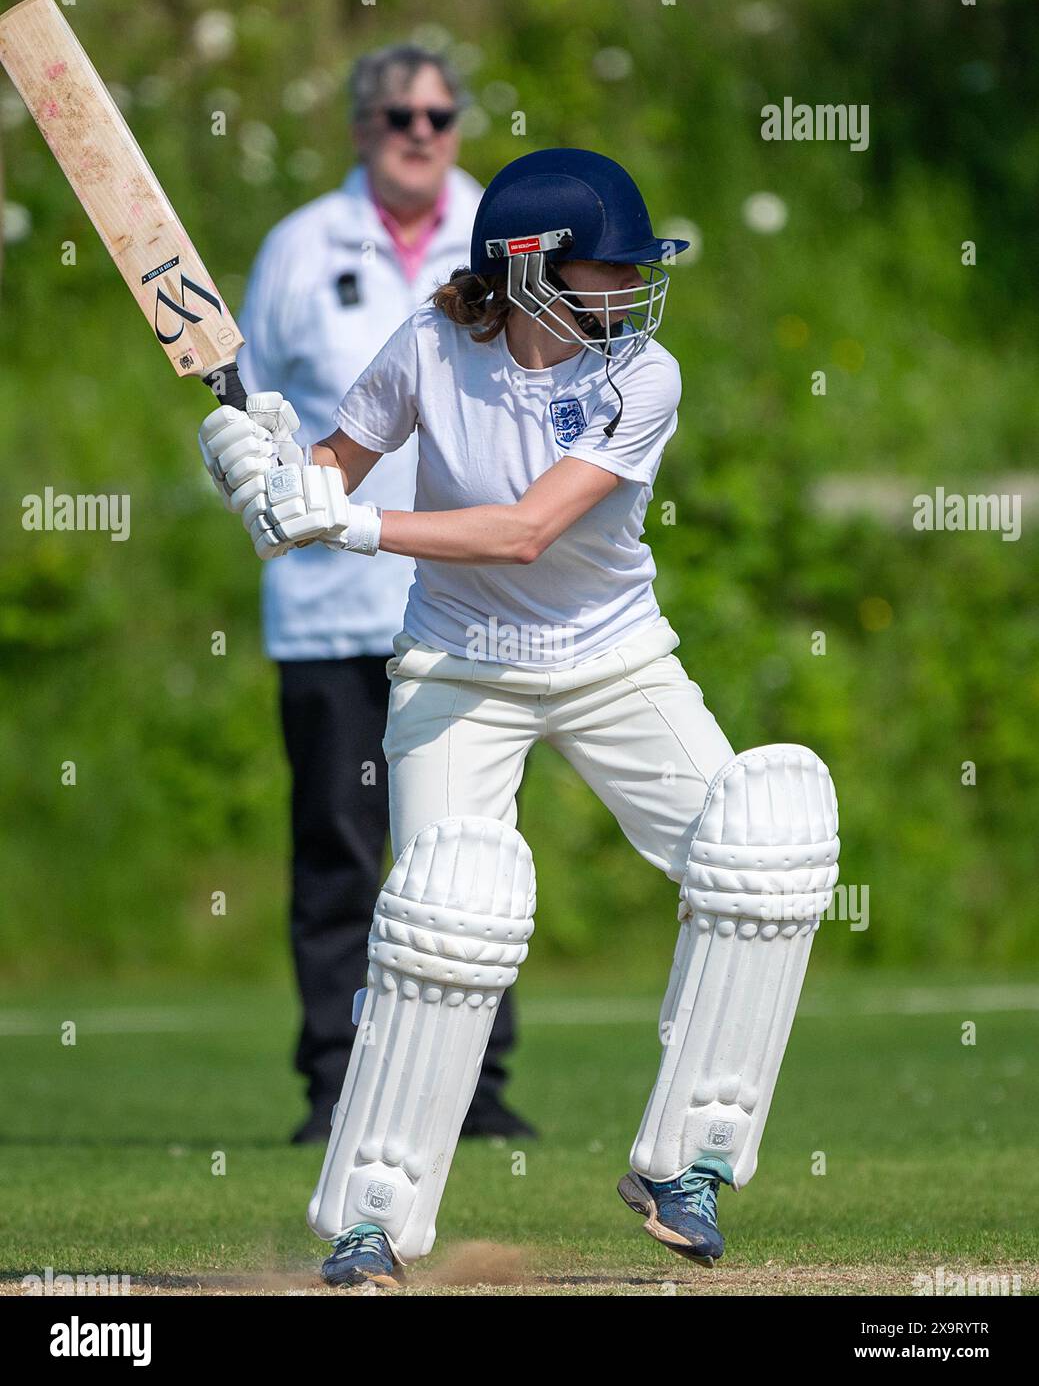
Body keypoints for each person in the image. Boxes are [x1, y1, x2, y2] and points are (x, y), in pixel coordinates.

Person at [199, 147, 840, 1289]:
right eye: (612, 266)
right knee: (444, 915)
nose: (635, 287)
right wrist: (265, 469)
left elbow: (524, 531)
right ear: (534, 269)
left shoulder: (646, 376)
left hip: (614, 659)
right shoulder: (432, 349)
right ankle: (371, 1226)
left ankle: (685, 1161)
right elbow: (328, 472)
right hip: (458, 669)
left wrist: (347, 527)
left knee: (768, 844)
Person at [236, 44, 532, 1143]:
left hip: (469, 598)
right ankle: (337, 1085)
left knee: (468, 849)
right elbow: (253, 403)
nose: (421, 130)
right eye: (400, 113)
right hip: (327, 608)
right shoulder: (299, 246)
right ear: (363, 126)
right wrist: (243, 458)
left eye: (439, 114)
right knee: (338, 848)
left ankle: (477, 1090)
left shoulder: (497, 238)